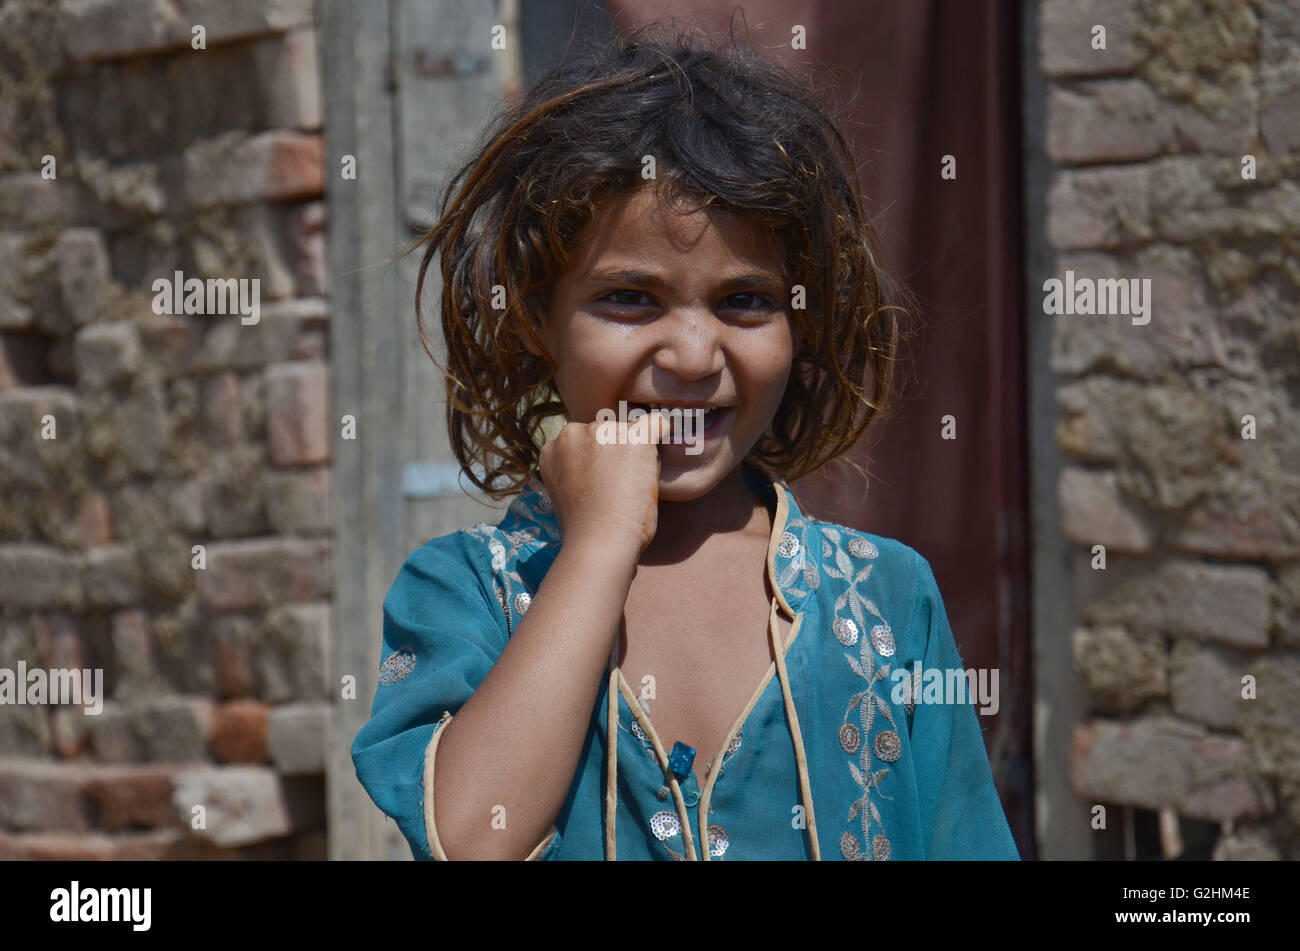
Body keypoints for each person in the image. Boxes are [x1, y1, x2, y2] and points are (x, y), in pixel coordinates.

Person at [351, 25, 1020, 861]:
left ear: (801, 326)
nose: (695, 358)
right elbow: (470, 840)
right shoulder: (467, 592)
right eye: (630, 297)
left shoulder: (885, 600)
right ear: (534, 317)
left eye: (746, 301)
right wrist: (597, 546)